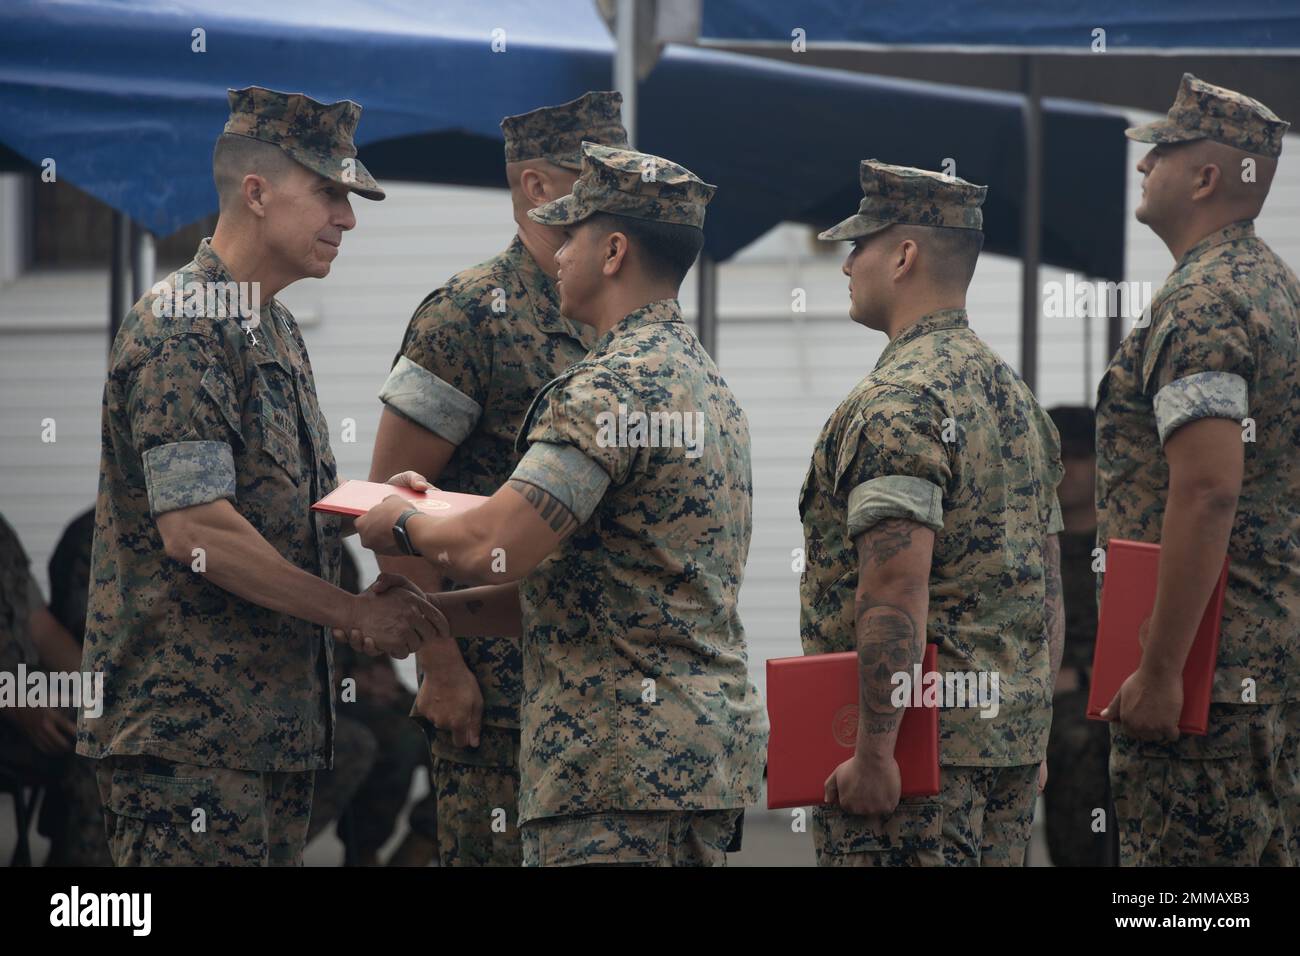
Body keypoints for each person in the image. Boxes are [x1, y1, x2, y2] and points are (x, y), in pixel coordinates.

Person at [350, 142, 769, 866]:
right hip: (693, 762)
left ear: (612, 251)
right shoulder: (706, 386)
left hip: (612, 774)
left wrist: (405, 521)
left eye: (569, 233)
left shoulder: (609, 387)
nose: (557, 251)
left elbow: (498, 545)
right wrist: (433, 616)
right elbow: (593, 586)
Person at [77, 86, 446, 867]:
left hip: (269, 734)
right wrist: (350, 613)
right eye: (329, 193)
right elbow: (197, 531)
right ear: (256, 192)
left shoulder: (268, 326)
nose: (346, 218)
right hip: (187, 740)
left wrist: (390, 507)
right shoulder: (182, 326)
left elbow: (283, 506)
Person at [368, 91, 626, 866]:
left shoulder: (620, 315)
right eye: (594, 177)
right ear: (536, 188)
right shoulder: (467, 317)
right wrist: (439, 664)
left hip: (604, 689)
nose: (615, 197)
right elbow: (388, 501)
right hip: (499, 699)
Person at [803, 160, 1064, 866]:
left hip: (917, 770)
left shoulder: (899, 403)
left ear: (904, 255)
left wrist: (875, 752)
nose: (847, 264)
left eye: (859, 245)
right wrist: (1032, 735)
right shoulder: (1018, 402)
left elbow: (893, 586)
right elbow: (1045, 583)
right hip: (1003, 748)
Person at [1098, 73, 1299, 865]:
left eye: (1161, 153)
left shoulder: (1206, 302)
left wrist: (1160, 668)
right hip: (1261, 658)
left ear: (1207, 177)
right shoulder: (1273, 288)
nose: (1143, 167)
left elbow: (1209, 488)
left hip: (1204, 676)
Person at [1, 512, 109, 866]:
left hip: (22, 690)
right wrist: (14, 700)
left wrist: (99, 691)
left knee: (110, 727)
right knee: (89, 753)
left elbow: (41, 630)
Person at [1040, 407, 1116, 866]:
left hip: (1109, 701)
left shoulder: (1122, 546)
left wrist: (1082, 676)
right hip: (1046, 707)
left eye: (1081, 456)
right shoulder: (1030, 549)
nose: (1068, 470)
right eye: (1058, 456)